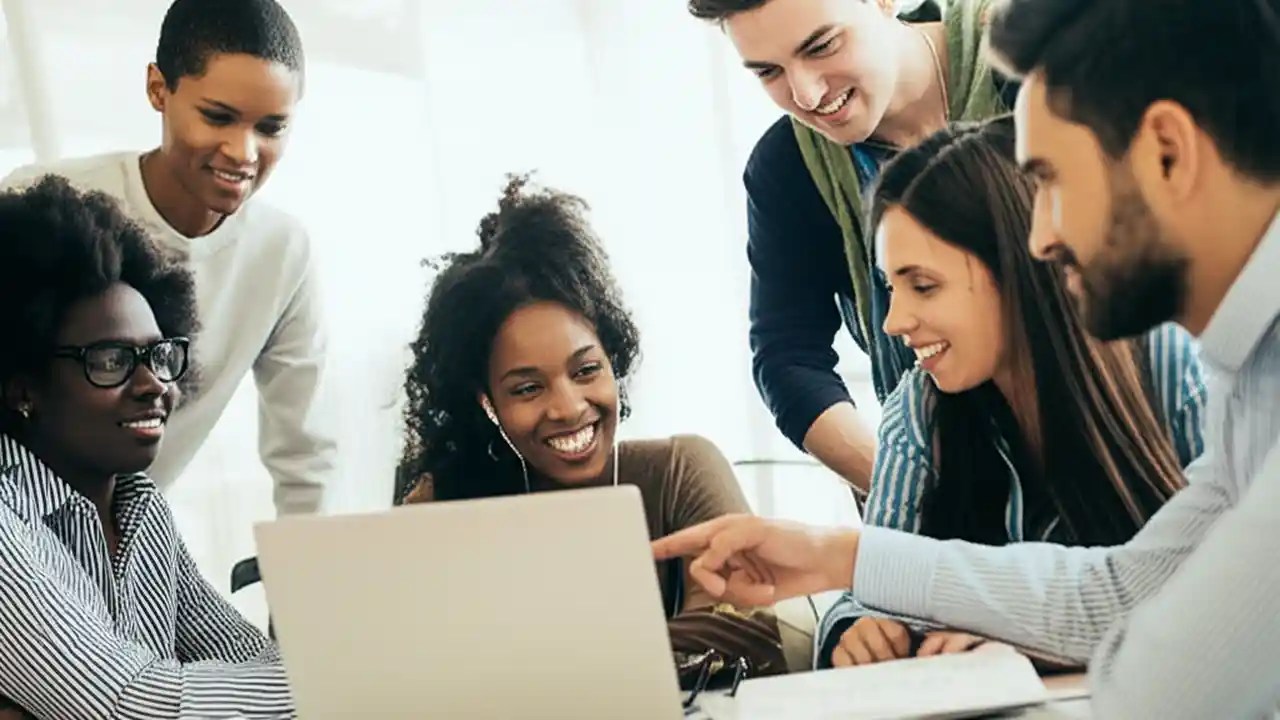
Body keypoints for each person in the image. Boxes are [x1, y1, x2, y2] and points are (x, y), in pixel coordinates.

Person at [654, 0, 1280, 716]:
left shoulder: (1210, 372)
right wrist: (842, 557)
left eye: (1048, 181)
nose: (1036, 238)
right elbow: (1120, 592)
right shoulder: (1248, 379)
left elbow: (1164, 692)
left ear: (1167, 151)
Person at [817, 118, 1205, 669]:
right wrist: (856, 630)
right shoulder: (918, 409)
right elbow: (870, 585)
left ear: (1020, 267)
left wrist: (1035, 642)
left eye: (923, 285)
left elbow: (1229, 596)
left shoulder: (1169, 364)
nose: (894, 321)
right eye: (889, 287)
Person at [396, 176, 786, 678]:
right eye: (527, 389)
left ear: (613, 358)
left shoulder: (679, 471)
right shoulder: (446, 503)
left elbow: (744, 639)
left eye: (586, 371)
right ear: (485, 400)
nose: (568, 407)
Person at [1, 0, 334, 516]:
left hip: (132, 540)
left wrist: (309, 588)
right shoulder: (46, 204)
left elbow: (308, 457)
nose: (244, 152)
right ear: (159, 88)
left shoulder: (283, 252)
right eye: (217, 117)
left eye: (271, 128)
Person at [686, 0, 1017, 491]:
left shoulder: (1031, 63)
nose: (807, 94)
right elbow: (787, 356)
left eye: (821, 46)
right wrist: (906, 488)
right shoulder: (789, 168)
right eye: (769, 72)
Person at [0, 176, 293, 718]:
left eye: (159, 356)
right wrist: (346, 686)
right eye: (111, 360)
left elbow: (248, 656)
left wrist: (339, 679)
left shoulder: (140, 506)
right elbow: (131, 702)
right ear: (22, 386)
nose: (154, 384)